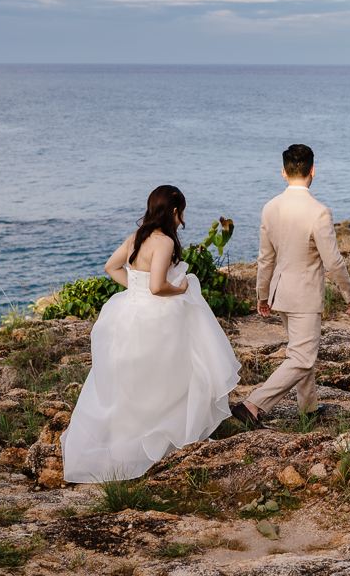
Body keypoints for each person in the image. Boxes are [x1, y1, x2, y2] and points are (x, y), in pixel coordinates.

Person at [61, 185, 240, 483]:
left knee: (131, 381)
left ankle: (127, 442)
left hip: (126, 313)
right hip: (155, 316)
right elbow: (158, 286)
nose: (182, 218)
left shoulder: (137, 237)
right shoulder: (164, 241)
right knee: (168, 378)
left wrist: (134, 288)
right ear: (173, 211)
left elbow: (111, 267)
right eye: (181, 212)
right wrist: (180, 288)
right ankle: (163, 437)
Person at [232, 144, 350, 427]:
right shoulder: (319, 212)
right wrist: (349, 293)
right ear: (313, 170)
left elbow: (265, 259)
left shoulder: (270, 207)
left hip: (281, 293)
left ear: (283, 172)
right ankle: (253, 404)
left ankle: (308, 408)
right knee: (301, 357)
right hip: (304, 297)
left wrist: (262, 294)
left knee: (301, 350)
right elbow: (333, 262)